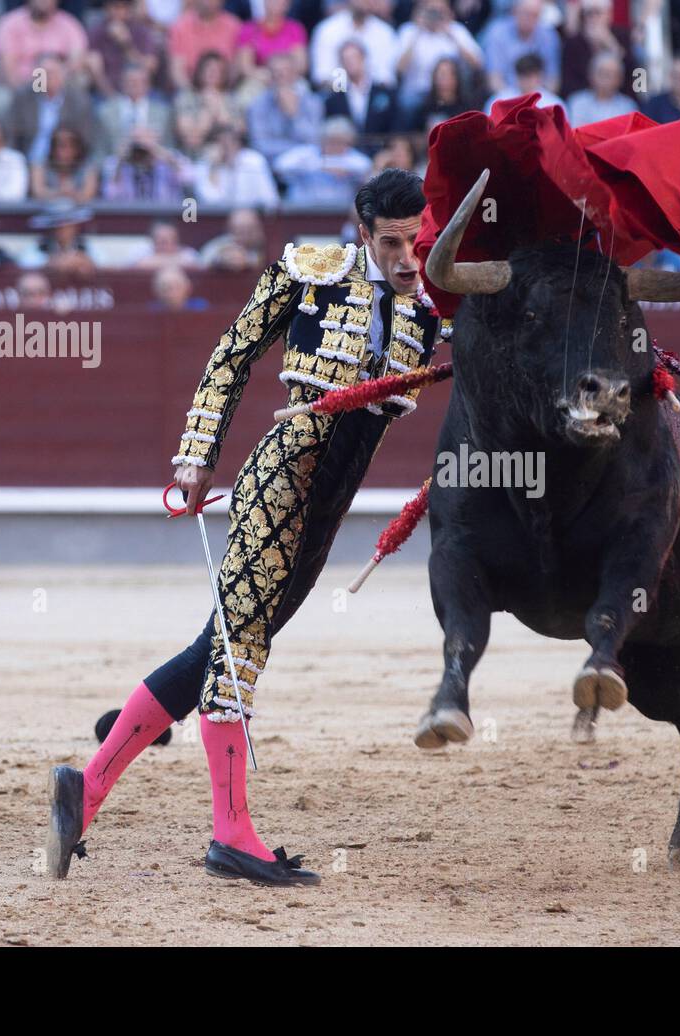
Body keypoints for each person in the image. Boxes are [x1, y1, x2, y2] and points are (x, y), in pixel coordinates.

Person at [45, 169, 454, 887]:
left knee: (220, 643)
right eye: (390, 241)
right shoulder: (309, 268)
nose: (405, 256)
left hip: (333, 500)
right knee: (238, 652)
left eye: (414, 241)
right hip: (282, 476)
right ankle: (231, 836)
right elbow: (233, 354)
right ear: (361, 233)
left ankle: (85, 790)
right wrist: (198, 456)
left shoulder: (432, 310)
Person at [273, 116, 372, 208]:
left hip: (339, 212)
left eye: (341, 142)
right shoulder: (305, 153)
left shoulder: (353, 157)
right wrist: (320, 166)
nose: (336, 146)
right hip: (302, 211)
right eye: (332, 141)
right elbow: (280, 165)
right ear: (323, 140)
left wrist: (346, 170)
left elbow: (367, 168)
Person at [0, 0, 90, 90]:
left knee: (81, 78)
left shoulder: (69, 24)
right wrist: (35, 86)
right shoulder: (10, 23)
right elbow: (9, 70)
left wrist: (52, 75)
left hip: (60, 87)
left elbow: (77, 60)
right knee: (2, 97)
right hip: (24, 87)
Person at [309, 0, 399, 89]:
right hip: (335, 96)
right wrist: (350, 93)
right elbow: (322, 76)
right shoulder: (327, 30)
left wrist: (364, 92)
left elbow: (386, 78)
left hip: (375, 99)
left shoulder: (385, 32)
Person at [480, 0, 562, 94]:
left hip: (539, 96)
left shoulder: (549, 36)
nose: (529, 19)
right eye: (525, 13)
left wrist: (538, 100)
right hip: (506, 95)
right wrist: (515, 101)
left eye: (534, 15)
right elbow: (494, 78)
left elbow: (553, 79)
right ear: (514, 12)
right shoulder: (497, 32)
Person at [192, 125, 281, 209]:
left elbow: (270, 201)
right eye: (221, 143)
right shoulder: (204, 166)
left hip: (253, 217)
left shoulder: (253, 161)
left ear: (238, 144)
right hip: (218, 220)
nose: (227, 148)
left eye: (231, 142)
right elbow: (209, 202)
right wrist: (214, 168)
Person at [169, 0, 244, 90]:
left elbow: (237, 67)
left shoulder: (234, 26)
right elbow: (177, 71)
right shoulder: (181, 26)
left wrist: (223, 93)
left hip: (226, 91)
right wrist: (193, 93)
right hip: (191, 91)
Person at [566, 51, 637, 126]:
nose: (607, 79)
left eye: (613, 75)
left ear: (621, 79)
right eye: (603, 73)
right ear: (591, 75)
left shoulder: (628, 107)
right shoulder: (577, 102)